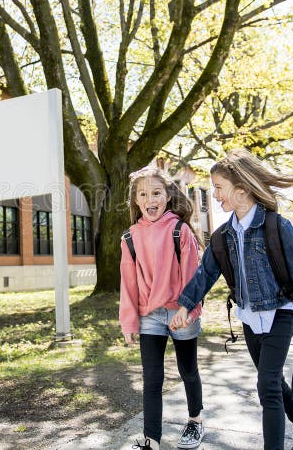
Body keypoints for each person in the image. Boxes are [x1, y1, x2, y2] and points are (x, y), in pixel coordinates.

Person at [170, 149, 293, 450]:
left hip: (279, 313)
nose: (214, 194)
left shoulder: (276, 226)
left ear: (242, 189)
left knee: (267, 385)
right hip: (248, 318)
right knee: (274, 382)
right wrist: (184, 306)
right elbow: (204, 274)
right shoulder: (222, 236)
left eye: (218, 188)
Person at [120, 166, 205, 449]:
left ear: (167, 196)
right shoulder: (130, 237)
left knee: (187, 370)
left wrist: (187, 311)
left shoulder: (180, 231)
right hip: (150, 316)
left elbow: (193, 278)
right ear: (136, 201)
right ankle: (151, 440)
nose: (150, 199)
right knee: (152, 378)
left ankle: (194, 421)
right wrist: (129, 323)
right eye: (143, 194)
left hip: (181, 313)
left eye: (156, 192)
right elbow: (128, 284)